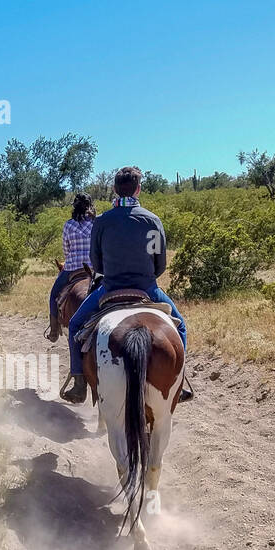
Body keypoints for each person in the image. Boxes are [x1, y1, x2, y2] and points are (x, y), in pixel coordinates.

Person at [60, 165, 190, 404]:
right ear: (138, 189)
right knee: (180, 327)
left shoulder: (102, 221)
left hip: (110, 287)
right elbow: (160, 264)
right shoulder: (153, 220)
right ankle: (179, 383)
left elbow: (96, 262)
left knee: (77, 324)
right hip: (148, 288)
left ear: (114, 189)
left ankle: (79, 382)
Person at [46, 193, 96, 341]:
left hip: (72, 267)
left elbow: (66, 249)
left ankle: (54, 331)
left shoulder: (69, 224)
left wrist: (72, 257)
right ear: (90, 206)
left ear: (74, 207)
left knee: (54, 294)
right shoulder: (96, 223)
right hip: (94, 268)